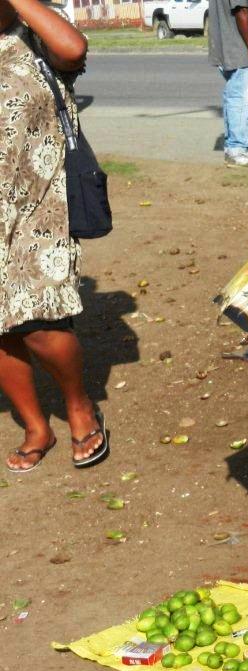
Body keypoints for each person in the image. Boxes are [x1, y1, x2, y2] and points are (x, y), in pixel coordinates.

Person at [0, 0, 109, 473]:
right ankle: (34, 426)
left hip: (40, 205)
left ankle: (79, 405)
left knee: (42, 323)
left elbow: (75, 49)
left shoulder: (35, 35)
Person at [208, 0, 248, 168]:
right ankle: (237, 151)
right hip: (239, 51)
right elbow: (242, 11)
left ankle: (233, 148)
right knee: (243, 100)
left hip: (227, 49)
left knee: (234, 97)